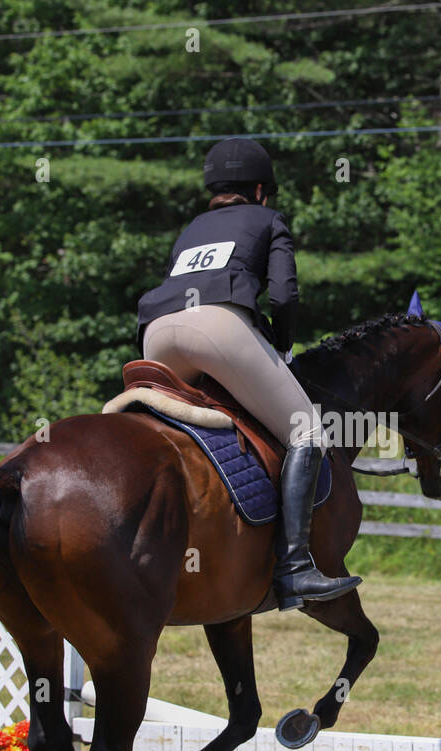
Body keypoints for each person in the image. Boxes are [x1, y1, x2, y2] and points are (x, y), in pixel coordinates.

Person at [136, 137, 361, 611]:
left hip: (155, 333)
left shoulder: (193, 228)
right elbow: (283, 296)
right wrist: (282, 341)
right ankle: (296, 567)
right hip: (217, 328)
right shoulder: (268, 219)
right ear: (261, 189)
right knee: (308, 433)